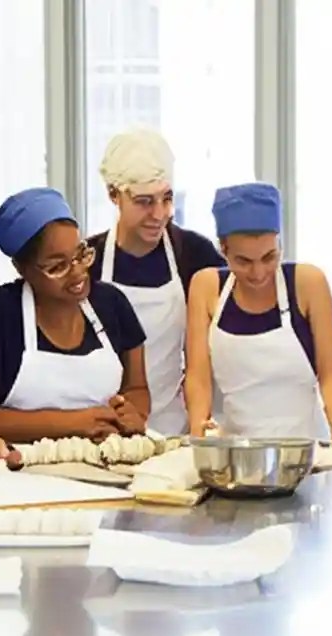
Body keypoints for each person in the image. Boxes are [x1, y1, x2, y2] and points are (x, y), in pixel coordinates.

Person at [0, 188, 150, 444]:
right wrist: (72, 423)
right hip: (16, 471)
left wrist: (134, 413)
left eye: (80, 255)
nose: (77, 273)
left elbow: (137, 388)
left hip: (107, 462)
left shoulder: (113, 305)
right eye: (57, 266)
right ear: (22, 269)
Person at [85, 128, 225, 435]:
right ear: (113, 195)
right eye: (145, 202)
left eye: (167, 198)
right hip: (106, 431)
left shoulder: (195, 256)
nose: (159, 214)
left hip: (177, 430)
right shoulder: (87, 262)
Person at [184, 182, 332, 442]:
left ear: (279, 243)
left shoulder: (308, 283)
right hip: (236, 450)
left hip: (309, 451)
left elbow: (330, 376)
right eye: (244, 261)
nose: (258, 272)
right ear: (223, 250)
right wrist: (198, 434)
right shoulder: (207, 287)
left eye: (269, 257)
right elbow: (198, 379)